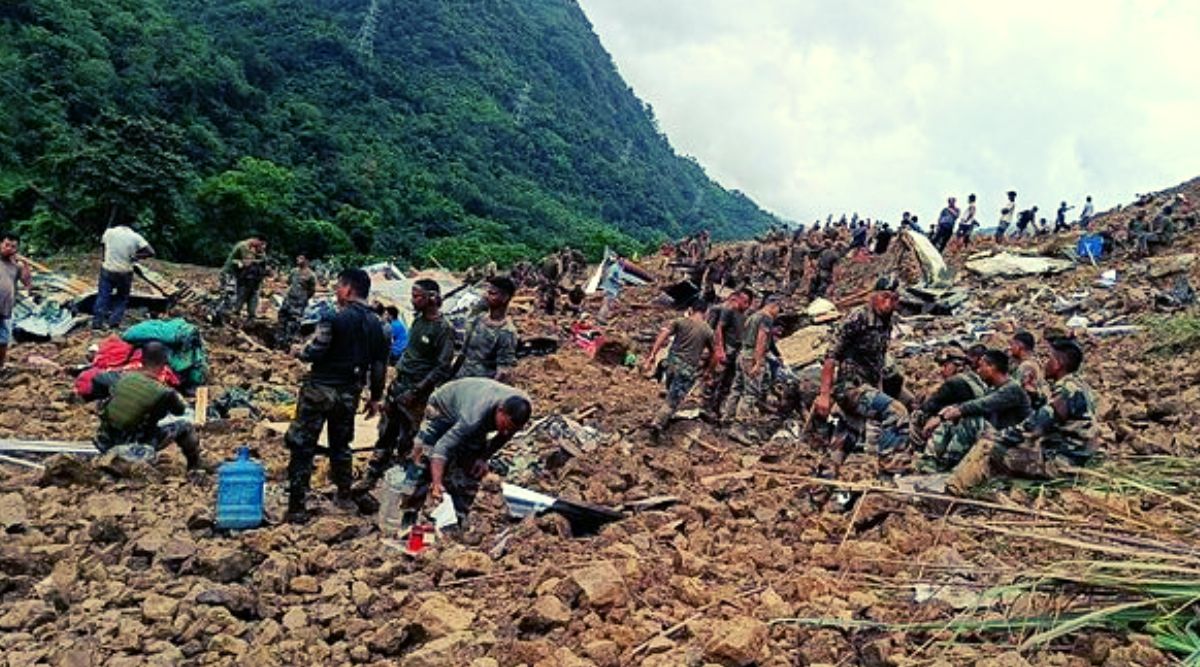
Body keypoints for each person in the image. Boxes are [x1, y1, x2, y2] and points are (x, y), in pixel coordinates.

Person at [282, 269, 388, 522]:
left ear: (348, 290)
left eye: (338, 287)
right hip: (349, 394)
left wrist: (298, 351)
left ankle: (297, 506)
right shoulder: (380, 325)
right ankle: (343, 496)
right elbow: (380, 366)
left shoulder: (332, 318)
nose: (336, 292)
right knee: (341, 446)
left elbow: (316, 351)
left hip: (319, 390)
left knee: (302, 446)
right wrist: (375, 397)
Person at [946, 338, 1096, 493]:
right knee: (1006, 447)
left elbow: (1033, 427)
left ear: (1058, 364)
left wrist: (998, 436)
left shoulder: (1067, 390)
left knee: (987, 447)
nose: (1045, 364)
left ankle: (952, 492)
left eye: (1049, 359)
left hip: (1062, 464)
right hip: (1070, 456)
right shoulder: (1079, 386)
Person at [358, 279, 455, 493]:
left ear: (432, 298)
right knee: (386, 432)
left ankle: (403, 484)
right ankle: (372, 475)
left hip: (416, 393)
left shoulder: (443, 329)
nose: (413, 300)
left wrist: (417, 391)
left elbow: (441, 368)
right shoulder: (418, 320)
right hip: (400, 384)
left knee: (409, 440)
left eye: (418, 296)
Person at [814, 275, 910, 471]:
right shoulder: (858, 317)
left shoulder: (886, 323)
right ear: (874, 296)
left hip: (868, 388)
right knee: (897, 412)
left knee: (842, 445)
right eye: (884, 296)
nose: (889, 303)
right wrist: (824, 395)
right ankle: (888, 471)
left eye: (894, 299)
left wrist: (879, 391)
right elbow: (831, 356)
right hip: (850, 388)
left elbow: (878, 362)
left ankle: (820, 490)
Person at [409, 378, 532, 524]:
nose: (506, 432)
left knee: (470, 467)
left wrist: (483, 458)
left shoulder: (521, 407)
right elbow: (442, 447)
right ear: (500, 411)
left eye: (512, 430)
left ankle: (457, 517)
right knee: (425, 463)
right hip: (443, 408)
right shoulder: (472, 417)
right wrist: (436, 482)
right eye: (505, 425)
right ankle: (410, 512)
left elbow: (504, 435)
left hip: (477, 412)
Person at [94, 342, 205, 471]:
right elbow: (179, 411)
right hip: (136, 447)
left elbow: (97, 379)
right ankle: (195, 465)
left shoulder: (121, 377)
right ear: (164, 363)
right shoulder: (165, 392)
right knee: (185, 427)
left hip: (104, 441)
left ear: (141, 359)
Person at [923, 349, 1031, 471]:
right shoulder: (995, 388)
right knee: (951, 423)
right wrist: (951, 410)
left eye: (981, 366)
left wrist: (953, 412)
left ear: (992, 367)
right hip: (998, 438)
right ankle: (929, 461)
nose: (978, 371)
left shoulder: (1013, 389)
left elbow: (983, 404)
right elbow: (977, 403)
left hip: (1015, 444)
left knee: (972, 421)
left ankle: (948, 464)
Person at [643, 299, 716, 439]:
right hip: (687, 370)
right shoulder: (707, 331)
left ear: (691, 309)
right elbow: (716, 355)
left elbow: (663, 336)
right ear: (706, 312)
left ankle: (662, 417)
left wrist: (652, 355)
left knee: (671, 393)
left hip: (670, 365)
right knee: (672, 402)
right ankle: (656, 426)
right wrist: (708, 371)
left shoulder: (680, 322)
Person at [723, 295, 782, 443]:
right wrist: (759, 362)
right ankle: (738, 428)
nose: (778, 313)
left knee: (736, 388)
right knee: (750, 393)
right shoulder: (766, 318)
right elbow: (761, 340)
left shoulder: (752, 316)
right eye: (778, 309)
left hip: (742, 354)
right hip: (751, 358)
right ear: (773, 306)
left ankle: (727, 419)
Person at [906, 349, 986, 450]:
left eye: (945, 366)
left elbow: (929, 407)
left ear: (955, 366)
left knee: (916, 416)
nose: (941, 370)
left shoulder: (953, 382)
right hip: (976, 425)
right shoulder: (975, 378)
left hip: (960, 427)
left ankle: (920, 449)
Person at [454, 276, 518, 383]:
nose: (486, 296)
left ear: (505, 297)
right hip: (461, 377)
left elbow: (503, 371)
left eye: (492, 293)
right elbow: (463, 352)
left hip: (480, 384)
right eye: (487, 292)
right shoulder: (479, 318)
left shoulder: (506, 332)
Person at [702, 288, 754, 421]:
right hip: (727, 349)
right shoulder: (729, 311)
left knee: (727, 382)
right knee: (715, 379)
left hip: (736, 352)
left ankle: (716, 408)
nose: (745, 304)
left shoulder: (744, 317)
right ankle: (705, 406)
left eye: (747, 302)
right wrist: (720, 349)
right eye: (743, 301)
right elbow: (719, 329)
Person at [93, 223, 154, 330]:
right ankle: (114, 322)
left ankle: (97, 322)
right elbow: (151, 252)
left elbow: (103, 246)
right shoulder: (135, 237)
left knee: (103, 295)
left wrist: (105, 259)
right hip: (125, 271)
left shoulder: (109, 232)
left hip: (108, 269)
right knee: (122, 297)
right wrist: (136, 256)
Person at [0, 232, 33, 371]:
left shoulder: (16, 265)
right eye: (6, 245)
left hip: (5, 309)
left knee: (3, 341)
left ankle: (0, 367)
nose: (9, 248)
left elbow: (27, 283)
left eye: (13, 247)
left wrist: (24, 264)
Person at [275, 255, 318, 349]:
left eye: (301, 258)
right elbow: (289, 282)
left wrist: (303, 298)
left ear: (306, 261)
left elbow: (311, 291)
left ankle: (288, 345)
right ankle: (278, 343)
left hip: (298, 303)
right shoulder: (294, 271)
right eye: (297, 258)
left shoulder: (311, 275)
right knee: (282, 319)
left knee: (293, 324)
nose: (298, 260)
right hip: (288, 300)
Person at [221, 236, 268, 320]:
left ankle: (247, 315)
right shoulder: (244, 246)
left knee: (252, 295)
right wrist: (257, 255)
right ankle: (224, 316)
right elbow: (247, 262)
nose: (262, 247)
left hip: (248, 278)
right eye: (261, 245)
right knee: (230, 296)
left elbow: (263, 263)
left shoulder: (257, 250)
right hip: (231, 274)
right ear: (256, 241)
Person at [1009, 331, 1046, 407]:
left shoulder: (1026, 366)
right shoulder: (1035, 361)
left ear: (1020, 345)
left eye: (1013, 344)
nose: (1010, 347)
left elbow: (1016, 390)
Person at [597, 255, 624, 324]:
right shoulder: (615, 267)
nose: (623, 261)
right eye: (622, 259)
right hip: (610, 288)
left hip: (613, 289)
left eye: (624, 260)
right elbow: (610, 276)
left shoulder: (619, 268)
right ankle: (601, 318)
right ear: (618, 259)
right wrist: (619, 282)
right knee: (606, 303)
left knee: (609, 304)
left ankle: (602, 318)